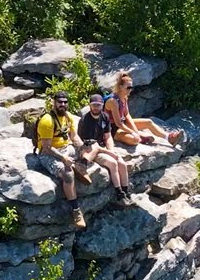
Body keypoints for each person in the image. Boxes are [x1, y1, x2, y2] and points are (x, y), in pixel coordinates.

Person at [35, 91, 87, 228]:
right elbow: (47, 148)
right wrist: (63, 158)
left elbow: (74, 136)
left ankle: (80, 167)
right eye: (60, 102)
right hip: (49, 154)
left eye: (65, 102)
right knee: (68, 175)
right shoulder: (47, 121)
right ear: (54, 102)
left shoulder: (68, 116)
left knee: (93, 149)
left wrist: (83, 147)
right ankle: (76, 210)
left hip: (66, 147)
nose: (62, 104)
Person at [78, 94, 133, 206]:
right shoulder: (85, 120)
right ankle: (119, 195)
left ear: (102, 106)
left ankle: (126, 192)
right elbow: (93, 146)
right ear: (89, 105)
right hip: (90, 150)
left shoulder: (105, 117)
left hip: (101, 147)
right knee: (113, 163)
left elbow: (108, 137)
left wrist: (111, 150)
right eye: (94, 105)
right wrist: (110, 153)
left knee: (122, 163)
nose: (96, 108)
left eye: (98, 105)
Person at [105, 72, 185, 148]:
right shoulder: (113, 101)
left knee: (148, 122)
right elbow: (118, 123)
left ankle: (169, 138)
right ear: (120, 87)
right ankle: (140, 138)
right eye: (128, 88)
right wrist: (133, 132)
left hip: (122, 123)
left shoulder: (124, 97)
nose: (130, 90)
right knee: (135, 140)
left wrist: (135, 130)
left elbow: (127, 115)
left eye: (131, 88)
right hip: (112, 129)